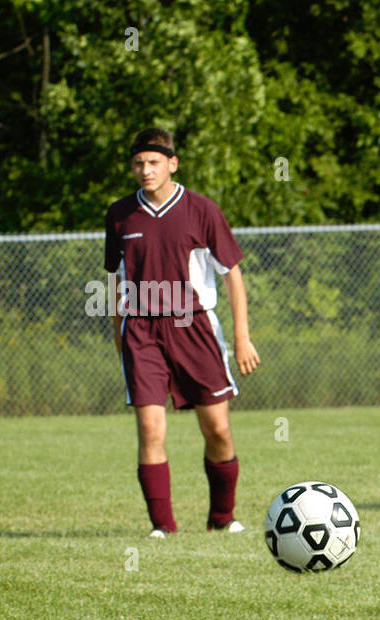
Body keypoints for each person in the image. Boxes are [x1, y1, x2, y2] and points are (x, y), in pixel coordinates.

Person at [104, 128, 260, 538]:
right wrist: (117, 329)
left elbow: (232, 275)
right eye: (138, 163)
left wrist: (242, 337)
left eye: (153, 162)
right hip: (142, 330)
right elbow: (115, 278)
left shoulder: (201, 210)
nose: (145, 170)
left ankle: (222, 518)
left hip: (195, 325)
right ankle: (163, 529)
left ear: (172, 164)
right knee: (151, 429)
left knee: (218, 430)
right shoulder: (119, 215)